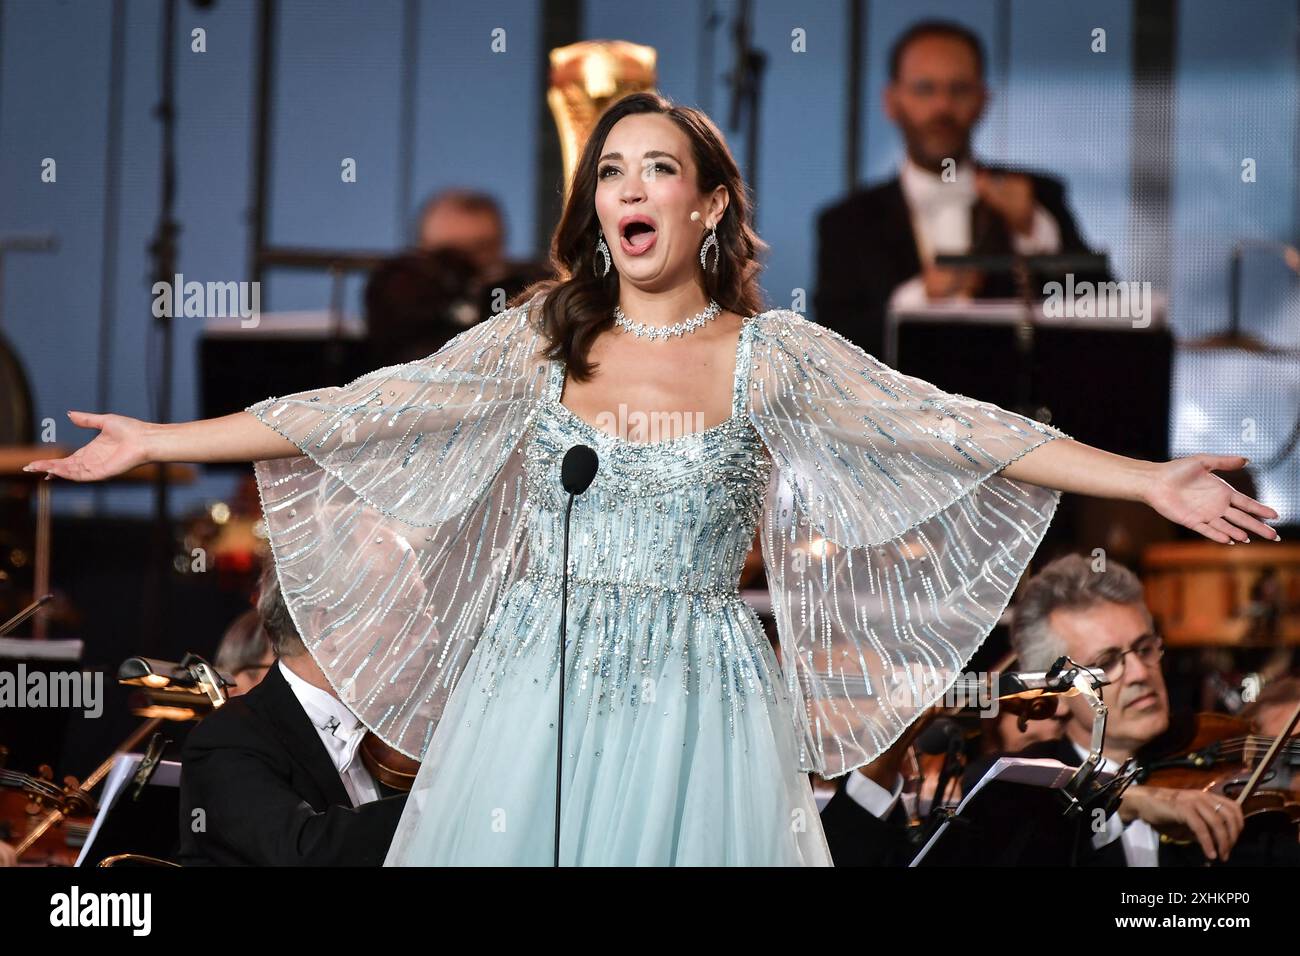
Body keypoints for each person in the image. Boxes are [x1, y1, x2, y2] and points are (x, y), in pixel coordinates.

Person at [23, 92, 1280, 867]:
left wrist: (1151, 476)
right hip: (532, 684)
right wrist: (158, 440)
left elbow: (957, 428)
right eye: (610, 170)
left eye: (657, 168)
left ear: (710, 206)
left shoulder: (772, 355)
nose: (628, 187)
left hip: (698, 698)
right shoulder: (537, 334)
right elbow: (353, 410)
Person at [815, 19, 1111, 358]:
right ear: (891, 101)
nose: (942, 107)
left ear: (983, 100)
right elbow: (831, 351)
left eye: (959, 89)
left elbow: (1106, 310)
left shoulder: (1041, 195)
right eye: (925, 89)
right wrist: (919, 298)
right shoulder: (845, 222)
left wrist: (1032, 228)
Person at [961, 554, 1251, 866]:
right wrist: (1127, 801)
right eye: (1105, 663)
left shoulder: (1215, 767)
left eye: (1144, 649)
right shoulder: (1016, 788)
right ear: (1053, 697)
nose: (1140, 672)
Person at [175, 561, 408, 865]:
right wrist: (446, 799)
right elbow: (304, 854)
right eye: (405, 615)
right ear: (326, 627)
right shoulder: (225, 741)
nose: (431, 638)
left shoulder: (391, 739)